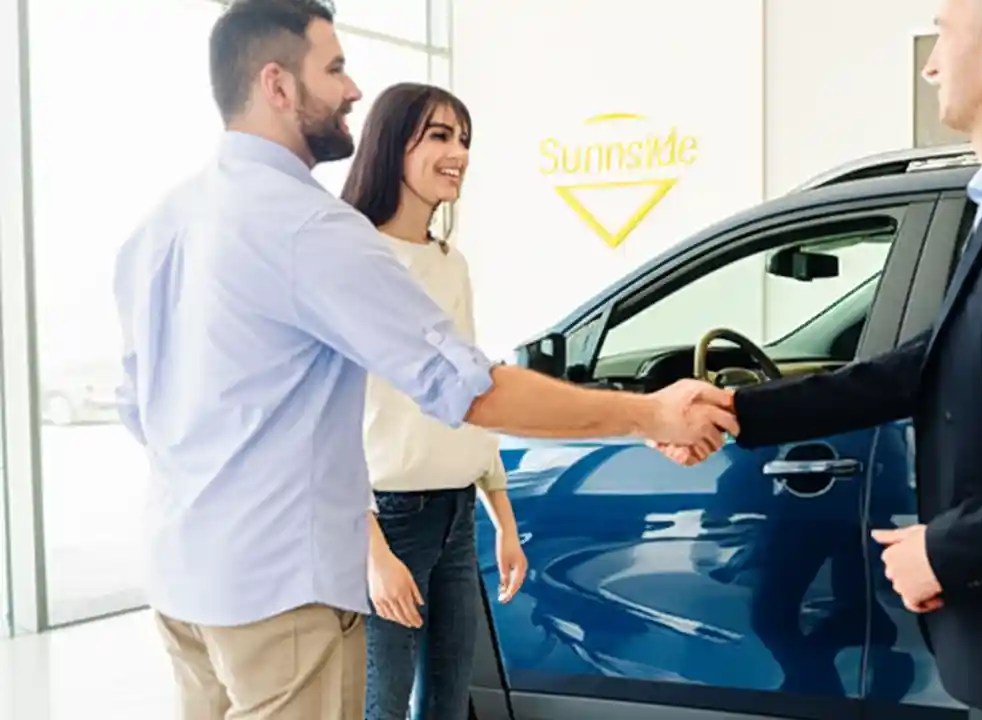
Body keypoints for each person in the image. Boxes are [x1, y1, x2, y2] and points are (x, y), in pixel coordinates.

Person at [113, 2, 734, 719]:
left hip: (185, 580)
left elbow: (139, 409)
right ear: (277, 85)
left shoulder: (162, 222)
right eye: (336, 68)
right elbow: (466, 389)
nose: (352, 91)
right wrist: (650, 412)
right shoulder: (311, 227)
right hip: (280, 588)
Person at [661, 0, 982, 717]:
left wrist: (944, 548)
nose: (932, 62)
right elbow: (925, 363)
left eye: (943, 35)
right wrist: (736, 408)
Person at [338, 83, 521, 720]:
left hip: (456, 515)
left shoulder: (451, 263)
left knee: (445, 706)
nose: (459, 153)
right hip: (390, 518)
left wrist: (502, 514)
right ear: (393, 145)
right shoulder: (353, 259)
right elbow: (330, 418)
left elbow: (473, 394)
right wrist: (371, 551)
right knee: (382, 707)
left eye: (464, 139)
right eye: (440, 136)